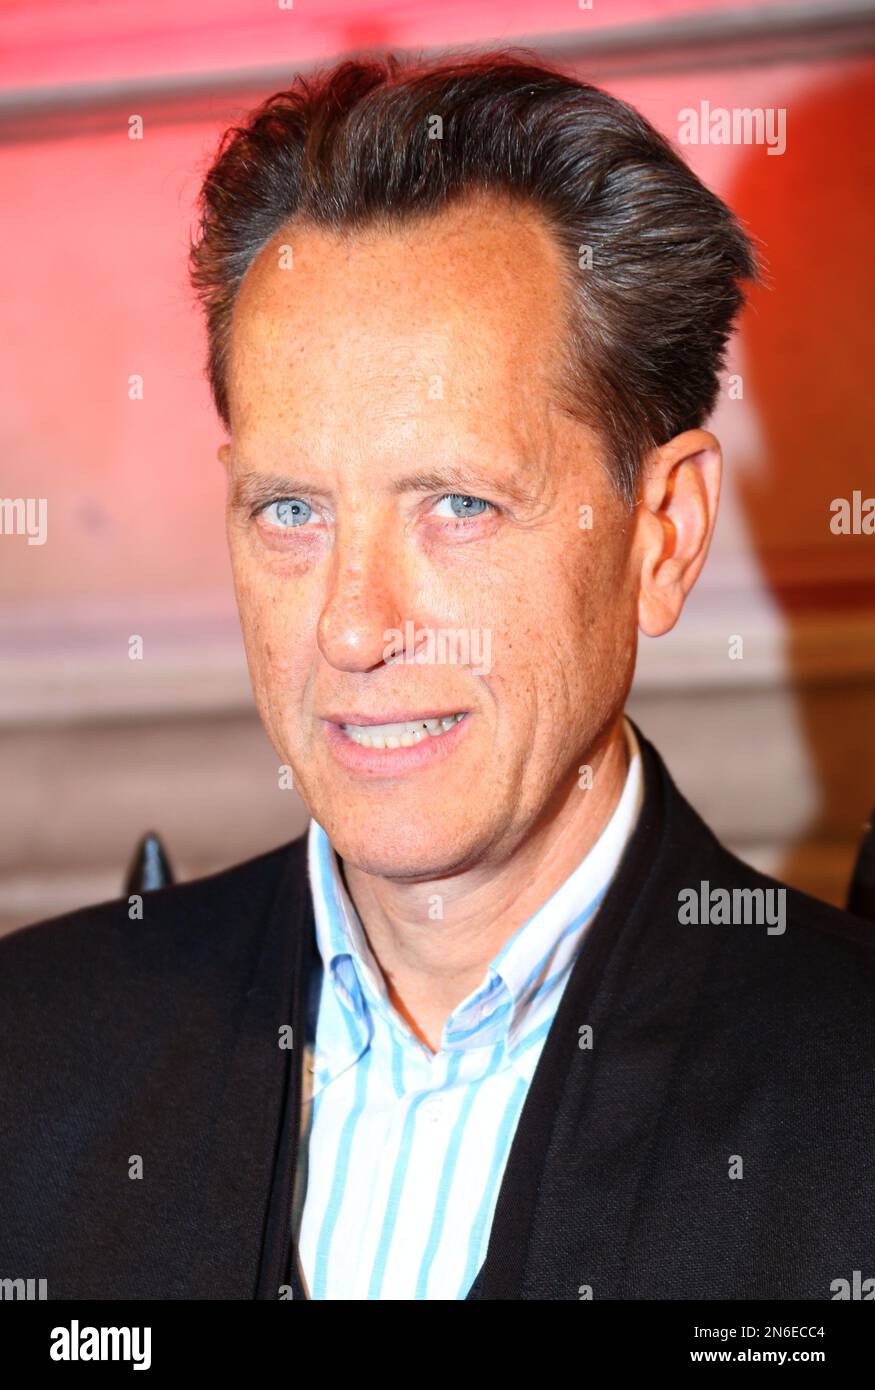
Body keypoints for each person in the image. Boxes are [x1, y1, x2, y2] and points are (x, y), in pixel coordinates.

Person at [2, 51, 872, 1302]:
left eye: (458, 504)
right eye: (292, 509)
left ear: (660, 536)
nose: (352, 627)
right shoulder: (30, 1058)